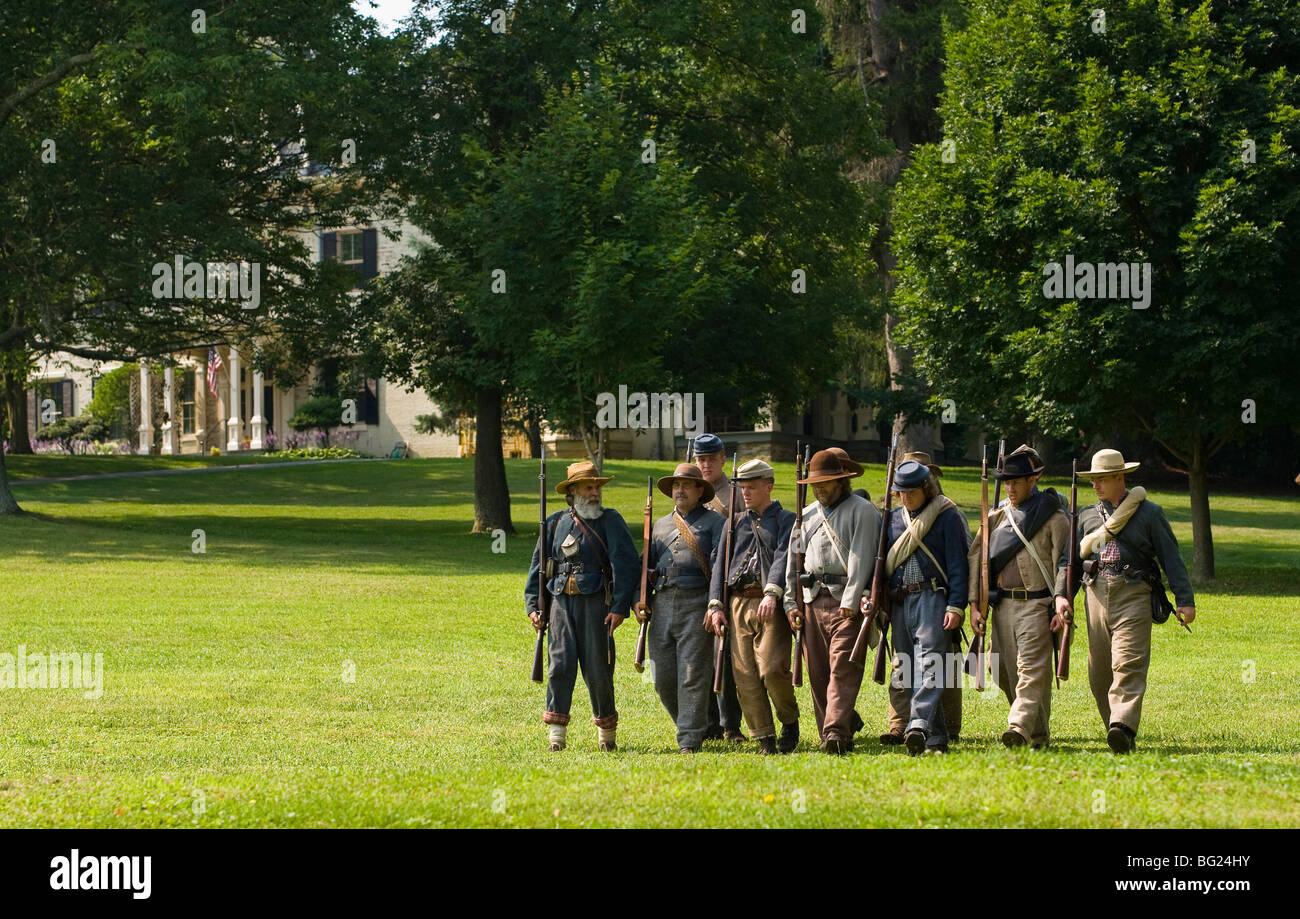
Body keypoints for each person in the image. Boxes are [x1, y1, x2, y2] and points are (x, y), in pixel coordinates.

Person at [1068, 448, 1196, 754]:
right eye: (1093, 480)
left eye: (1102, 479)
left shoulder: (1149, 513)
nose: (1096, 486)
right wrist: (1062, 600)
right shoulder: (1086, 516)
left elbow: (1171, 558)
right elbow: (1071, 563)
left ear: (1120, 477)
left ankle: (1122, 726)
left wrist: (1184, 599)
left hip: (1133, 591)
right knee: (1099, 674)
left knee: (1128, 663)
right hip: (1095, 593)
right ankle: (1117, 730)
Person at [525, 460, 639, 752]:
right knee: (559, 667)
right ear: (573, 491)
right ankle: (556, 737)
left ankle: (607, 736)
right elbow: (539, 569)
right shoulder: (552, 523)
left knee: (599, 669)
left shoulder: (610, 520)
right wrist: (534, 607)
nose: (594, 492)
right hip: (560, 604)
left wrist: (619, 607)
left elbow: (625, 565)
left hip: (596, 605)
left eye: (596, 487)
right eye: (588, 487)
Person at [967, 444, 1070, 749]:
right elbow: (976, 560)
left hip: (1036, 604)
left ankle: (1018, 726)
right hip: (1000, 606)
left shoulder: (1054, 518)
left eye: (1017, 482)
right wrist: (975, 605)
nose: (1010, 488)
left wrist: (1060, 600)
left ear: (1033, 480)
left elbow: (1065, 564)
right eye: (1007, 482)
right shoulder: (996, 518)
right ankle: (1036, 736)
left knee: (1030, 669)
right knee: (1003, 672)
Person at [783, 449, 880, 754]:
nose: (820, 488)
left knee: (842, 669)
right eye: (815, 484)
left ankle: (837, 732)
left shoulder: (863, 511)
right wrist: (791, 602)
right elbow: (793, 561)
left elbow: (862, 557)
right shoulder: (806, 514)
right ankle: (833, 727)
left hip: (845, 603)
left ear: (841, 481)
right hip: (812, 601)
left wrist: (851, 600)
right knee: (818, 673)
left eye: (826, 482)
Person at [706, 459, 798, 754]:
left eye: (752, 487)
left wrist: (772, 593)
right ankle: (764, 737)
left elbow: (784, 556)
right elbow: (720, 564)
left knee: (772, 669)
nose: (745, 492)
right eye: (742, 487)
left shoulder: (786, 520)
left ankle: (789, 721)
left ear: (768, 486)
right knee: (744, 676)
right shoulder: (733, 523)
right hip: (737, 604)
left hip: (769, 603)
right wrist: (715, 604)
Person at [878, 460, 970, 755]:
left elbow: (958, 565)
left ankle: (916, 723)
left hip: (933, 597)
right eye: (901, 492)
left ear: (925, 489)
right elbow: (882, 566)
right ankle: (935, 739)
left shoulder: (946, 517)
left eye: (911, 491)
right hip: (900, 600)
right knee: (905, 666)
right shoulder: (891, 520)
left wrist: (956, 604)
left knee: (931, 664)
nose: (906, 497)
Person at [635, 463, 724, 753]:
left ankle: (689, 738)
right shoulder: (659, 525)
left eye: (686, 485)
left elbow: (720, 568)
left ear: (700, 491)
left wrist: (713, 604)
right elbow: (644, 567)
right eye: (676, 485)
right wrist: (640, 599)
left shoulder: (715, 524)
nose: (679, 490)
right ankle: (703, 723)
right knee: (661, 677)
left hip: (696, 602)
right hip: (661, 604)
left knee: (692, 674)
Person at [691, 432, 746, 743]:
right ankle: (709, 722)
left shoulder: (735, 493)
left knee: (724, 656)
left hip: (726, 582)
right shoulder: (692, 490)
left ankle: (730, 725)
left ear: (723, 459)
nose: (706, 464)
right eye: (700, 459)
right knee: (700, 657)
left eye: (711, 458)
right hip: (696, 583)